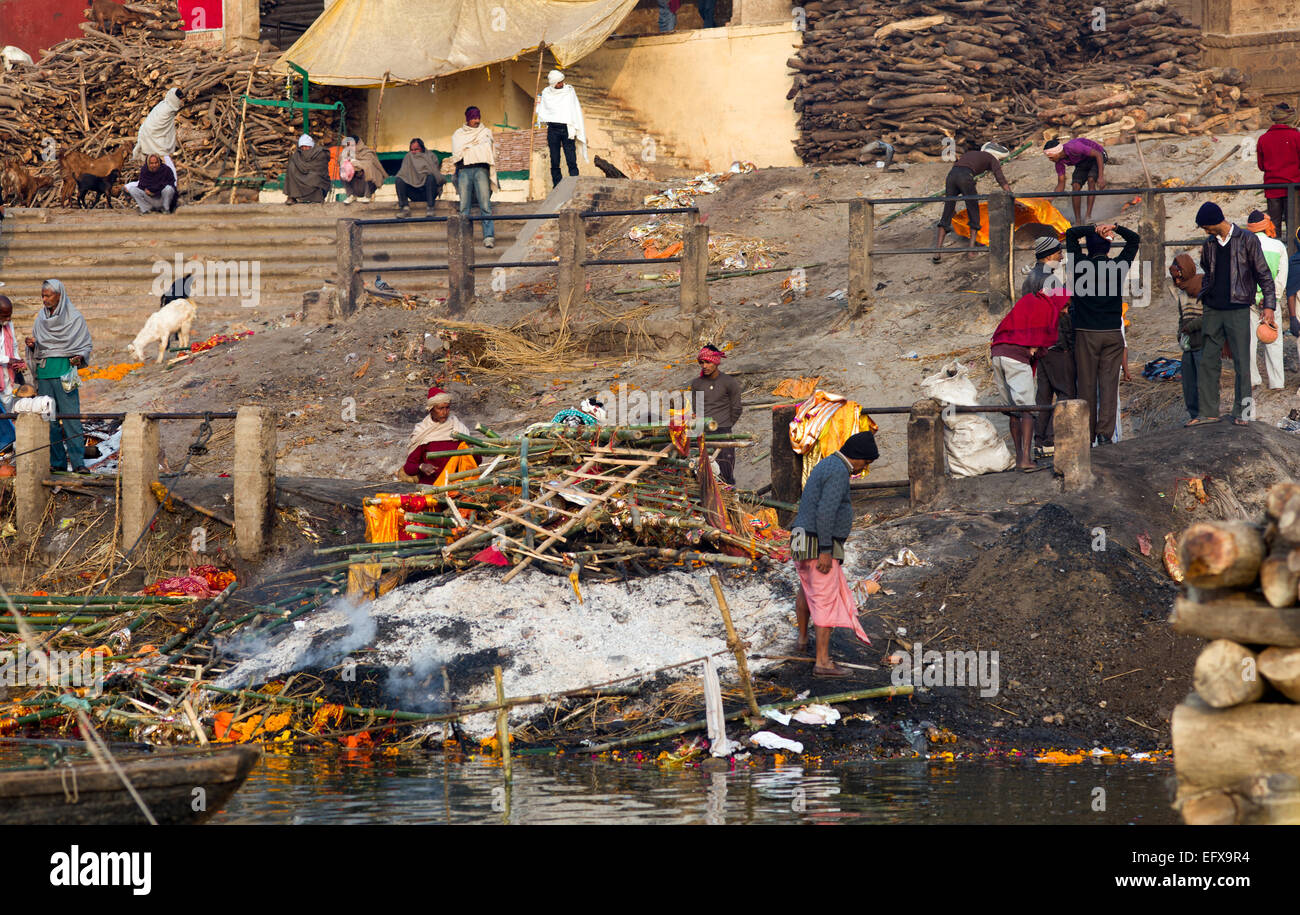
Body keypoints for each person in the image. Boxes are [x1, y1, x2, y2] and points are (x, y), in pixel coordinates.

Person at [790, 431, 878, 678]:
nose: (864, 468)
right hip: (817, 544)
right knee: (824, 601)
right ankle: (823, 662)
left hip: (800, 539)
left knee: (806, 591)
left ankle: (802, 640)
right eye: (866, 462)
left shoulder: (827, 463)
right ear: (858, 456)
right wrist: (826, 551)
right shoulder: (839, 471)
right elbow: (826, 513)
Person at [1189, 201, 1276, 427]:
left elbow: (1264, 275)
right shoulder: (1208, 244)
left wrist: (1269, 307)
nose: (1205, 231)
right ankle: (1208, 412)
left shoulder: (1248, 239)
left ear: (1215, 221)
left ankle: (1244, 413)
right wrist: (1205, 295)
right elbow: (1207, 272)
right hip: (1212, 310)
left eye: (1206, 226)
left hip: (1238, 309)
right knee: (1208, 362)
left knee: (1242, 363)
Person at [1065, 221, 1138, 444]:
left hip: (1087, 333)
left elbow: (1070, 234)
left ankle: (1087, 436)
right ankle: (1105, 434)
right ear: (1107, 248)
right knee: (1108, 385)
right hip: (1112, 333)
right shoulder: (1118, 266)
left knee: (1086, 385)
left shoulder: (1078, 264)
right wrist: (1114, 227)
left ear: (1088, 247)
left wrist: (1093, 228)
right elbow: (1134, 239)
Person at [990, 286, 1069, 471]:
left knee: (1012, 409)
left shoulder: (1028, 301)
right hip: (1016, 358)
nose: (1064, 311)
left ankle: (1019, 458)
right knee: (1027, 409)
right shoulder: (1047, 310)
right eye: (1065, 306)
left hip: (997, 354)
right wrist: (1035, 347)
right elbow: (1039, 344)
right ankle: (1026, 459)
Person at [24, 280, 92, 473]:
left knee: (71, 419)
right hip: (45, 374)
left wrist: (79, 357)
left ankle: (78, 463)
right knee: (50, 421)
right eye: (42, 296)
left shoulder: (75, 318)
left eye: (48, 295)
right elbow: (40, 347)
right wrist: (32, 345)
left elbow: (85, 345)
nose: (44, 299)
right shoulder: (40, 318)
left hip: (65, 373)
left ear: (59, 295)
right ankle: (58, 463)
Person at [1021, 235, 1074, 454]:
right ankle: (1051, 440)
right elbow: (1061, 315)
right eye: (1059, 253)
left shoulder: (1029, 279)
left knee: (1043, 394)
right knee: (1065, 391)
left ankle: (1039, 441)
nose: (1061, 257)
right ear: (1049, 255)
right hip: (1055, 343)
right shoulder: (1051, 281)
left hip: (1037, 345)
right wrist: (1068, 343)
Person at [932, 144, 1013, 262]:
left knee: (947, 212)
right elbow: (1000, 179)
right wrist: (1011, 195)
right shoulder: (992, 158)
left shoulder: (971, 154)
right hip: (965, 176)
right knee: (973, 210)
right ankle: (971, 252)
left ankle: (937, 252)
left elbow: (958, 168)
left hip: (951, 176)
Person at [1246, 210, 1288, 389]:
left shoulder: (1243, 245)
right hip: (1271, 301)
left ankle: (1254, 380)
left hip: (1249, 301)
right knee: (1274, 341)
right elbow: (1281, 276)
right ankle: (1277, 383)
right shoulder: (1278, 246)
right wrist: (1272, 298)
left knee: (1249, 342)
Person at [688, 344, 742, 485]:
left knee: (726, 472)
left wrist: (725, 424)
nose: (704, 366)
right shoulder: (697, 384)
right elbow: (697, 408)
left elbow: (736, 408)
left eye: (708, 362)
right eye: (702, 362)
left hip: (723, 432)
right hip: (704, 432)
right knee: (703, 473)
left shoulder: (729, 382)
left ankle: (729, 501)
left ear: (716, 362)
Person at [401, 387, 470, 484]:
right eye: (440, 408)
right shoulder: (423, 432)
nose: (445, 412)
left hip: (458, 485)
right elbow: (409, 467)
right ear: (431, 409)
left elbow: (476, 460)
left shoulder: (458, 429)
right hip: (431, 487)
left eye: (447, 407)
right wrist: (421, 466)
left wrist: (472, 451)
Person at [451, 107, 497, 247]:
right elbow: (457, 153)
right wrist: (476, 149)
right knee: (464, 205)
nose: (477, 121)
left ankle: (488, 236)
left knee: (485, 204)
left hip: (481, 170)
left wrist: (469, 150)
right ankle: (463, 236)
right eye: (473, 118)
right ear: (467, 118)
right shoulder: (458, 134)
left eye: (478, 117)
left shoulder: (485, 132)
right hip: (464, 170)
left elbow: (487, 150)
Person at [536, 70, 587, 188]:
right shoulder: (546, 93)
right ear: (553, 84)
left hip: (567, 129)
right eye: (559, 83)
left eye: (562, 82)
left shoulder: (569, 91)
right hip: (553, 130)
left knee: (571, 159)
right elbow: (544, 111)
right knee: (554, 160)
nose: (561, 84)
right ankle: (557, 186)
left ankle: (575, 185)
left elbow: (575, 109)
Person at [1256, 103, 1300, 238]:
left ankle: (1275, 255)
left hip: (1272, 188)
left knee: (1273, 227)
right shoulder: (1296, 137)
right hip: (1294, 188)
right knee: (1294, 226)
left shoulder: (1263, 139)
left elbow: (1261, 166)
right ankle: (1294, 256)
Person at [1169, 253, 1204, 422]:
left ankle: (1205, 416)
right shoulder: (1182, 294)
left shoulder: (1203, 287)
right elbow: (1181, 318)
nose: (1176, 282)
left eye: (1178, 278)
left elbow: (1210, 317)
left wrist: (1190, 327)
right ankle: (1194, 416)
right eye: (1174, 279)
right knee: (1189, 386)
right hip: (1189, 346)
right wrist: (1179, 334)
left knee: (1203, 384)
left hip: (1204, 343)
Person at [1045, 137, 1108, 224]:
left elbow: (1098, 155)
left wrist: (1101, 177)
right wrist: (1050, 198)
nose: (1050, 160)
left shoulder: (1074, 147)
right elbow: (1061, 184)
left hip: (1098, 156)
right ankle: (1078, 220)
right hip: (1082, 161)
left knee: (1091, 179)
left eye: (1051, 157)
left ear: (1057, 153)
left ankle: (1088, 217)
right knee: (1075, 186)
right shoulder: (1058, 162)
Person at [132, 86, 183, 181]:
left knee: (152, 159)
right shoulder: (169, 109)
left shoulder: (162, 104)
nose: (180, 101)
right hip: (152, 136)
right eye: (179, 99)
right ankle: (172, 181)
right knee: (164, 158)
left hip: (147, 133)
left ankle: (153, 180)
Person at [0, 295, 26, 454]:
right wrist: (7, 359)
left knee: (7, 413)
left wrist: (17, 361)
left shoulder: (9, 325)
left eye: (10, 315)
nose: (8, 318)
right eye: (5, 316)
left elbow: (14, 345)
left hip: (6, 376)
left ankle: (6, 449)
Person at [393, 137, 443, 217]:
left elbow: (435, 173)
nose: (414, 152)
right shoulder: (408, 157)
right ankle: (405, 208)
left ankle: (430, 208)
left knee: (430, 177)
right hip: (414, 192)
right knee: (399, 180)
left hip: (428, 192)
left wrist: (423, 171)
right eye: (411, 150)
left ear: (422, 149)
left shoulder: (431, 156)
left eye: (416, 149)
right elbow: (403, 174)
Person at [283, 134, 331, 205]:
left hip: (316, 176)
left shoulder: (320, 153)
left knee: (314, 177)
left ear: (311, 146)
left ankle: (315, 198)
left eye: (306, 146)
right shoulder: (297, 155)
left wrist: (307, 171)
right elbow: (293, 165)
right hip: (300, 175)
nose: (304, 149)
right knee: (291, 168)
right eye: (302, 147)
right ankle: (292, 196)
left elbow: (320, 169)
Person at [341, 136, 388, 205]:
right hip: (355, 183)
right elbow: (341, 160)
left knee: (369, 170)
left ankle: (367, 195)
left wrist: (358, 164)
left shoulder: (367, 152)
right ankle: (351, 195)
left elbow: (368, 165)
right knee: (343, 170)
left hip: (367, 183)